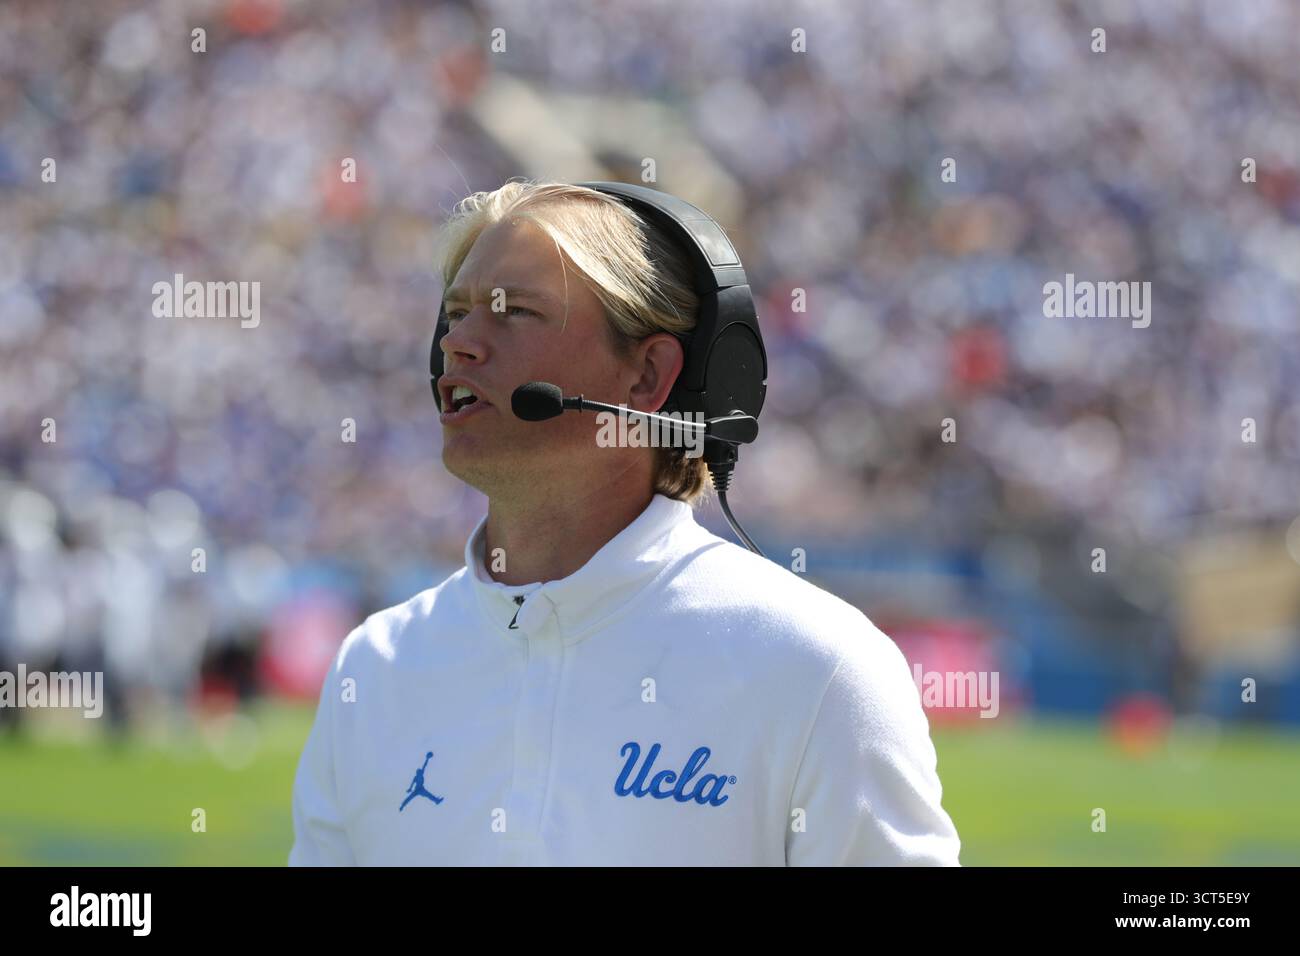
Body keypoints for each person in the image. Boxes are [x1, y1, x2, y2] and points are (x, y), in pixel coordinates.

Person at [289, 180, 961, 865]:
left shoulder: (820, 667)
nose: (459, 344)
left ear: (647, 376)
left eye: (513, 312)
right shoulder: (373, 669)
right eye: (456, 314)